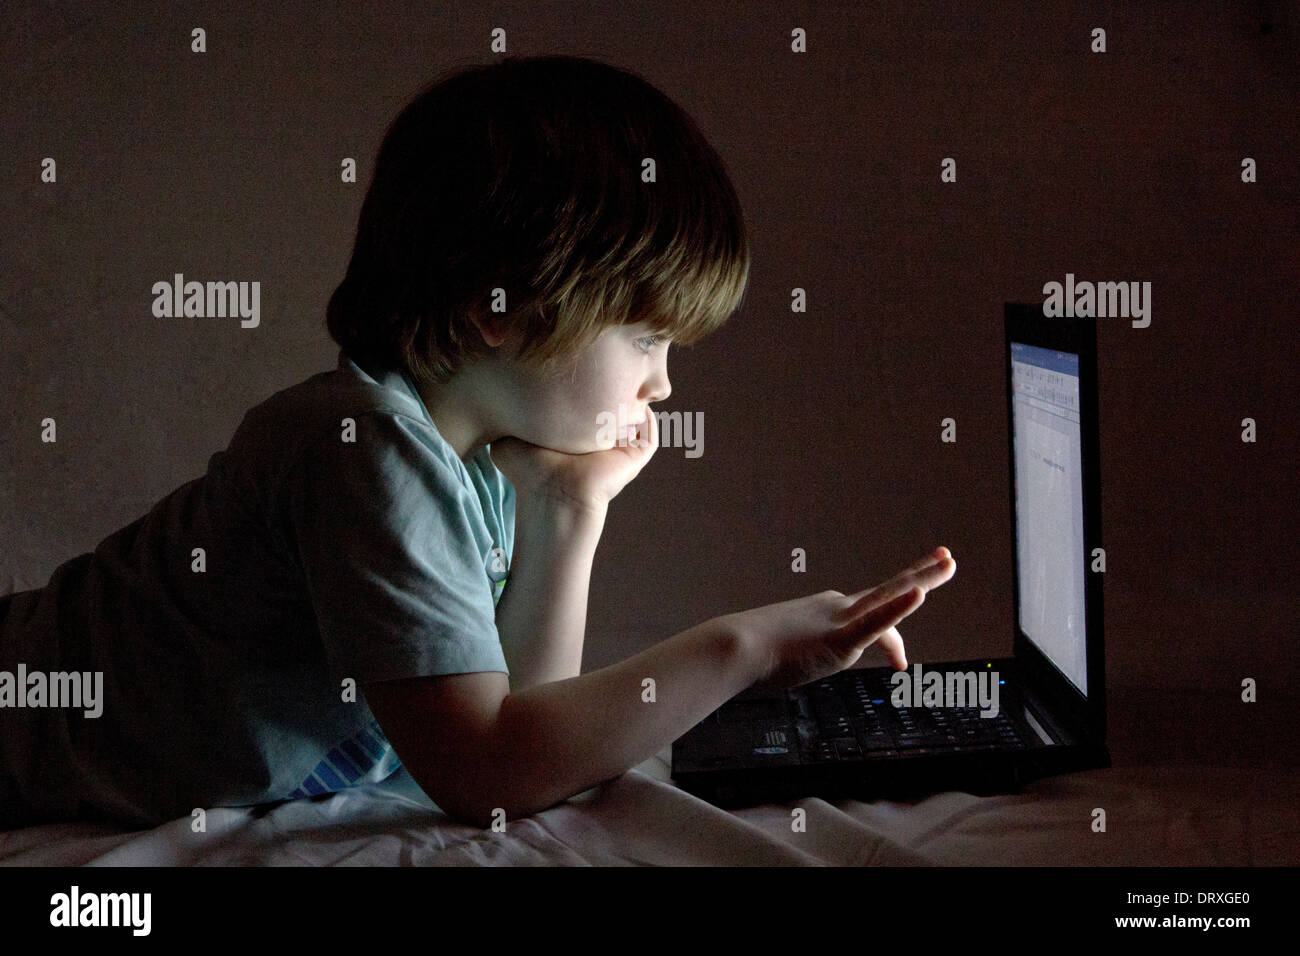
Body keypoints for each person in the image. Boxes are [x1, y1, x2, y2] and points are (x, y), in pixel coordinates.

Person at [0, 54, 954, 831]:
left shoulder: (478, 460)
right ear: (499, 307)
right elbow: (486, 768)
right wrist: (749, 647)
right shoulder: (364, 448)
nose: (662, 383)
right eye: (648, 336)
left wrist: (569, 508)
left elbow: (529, 728)